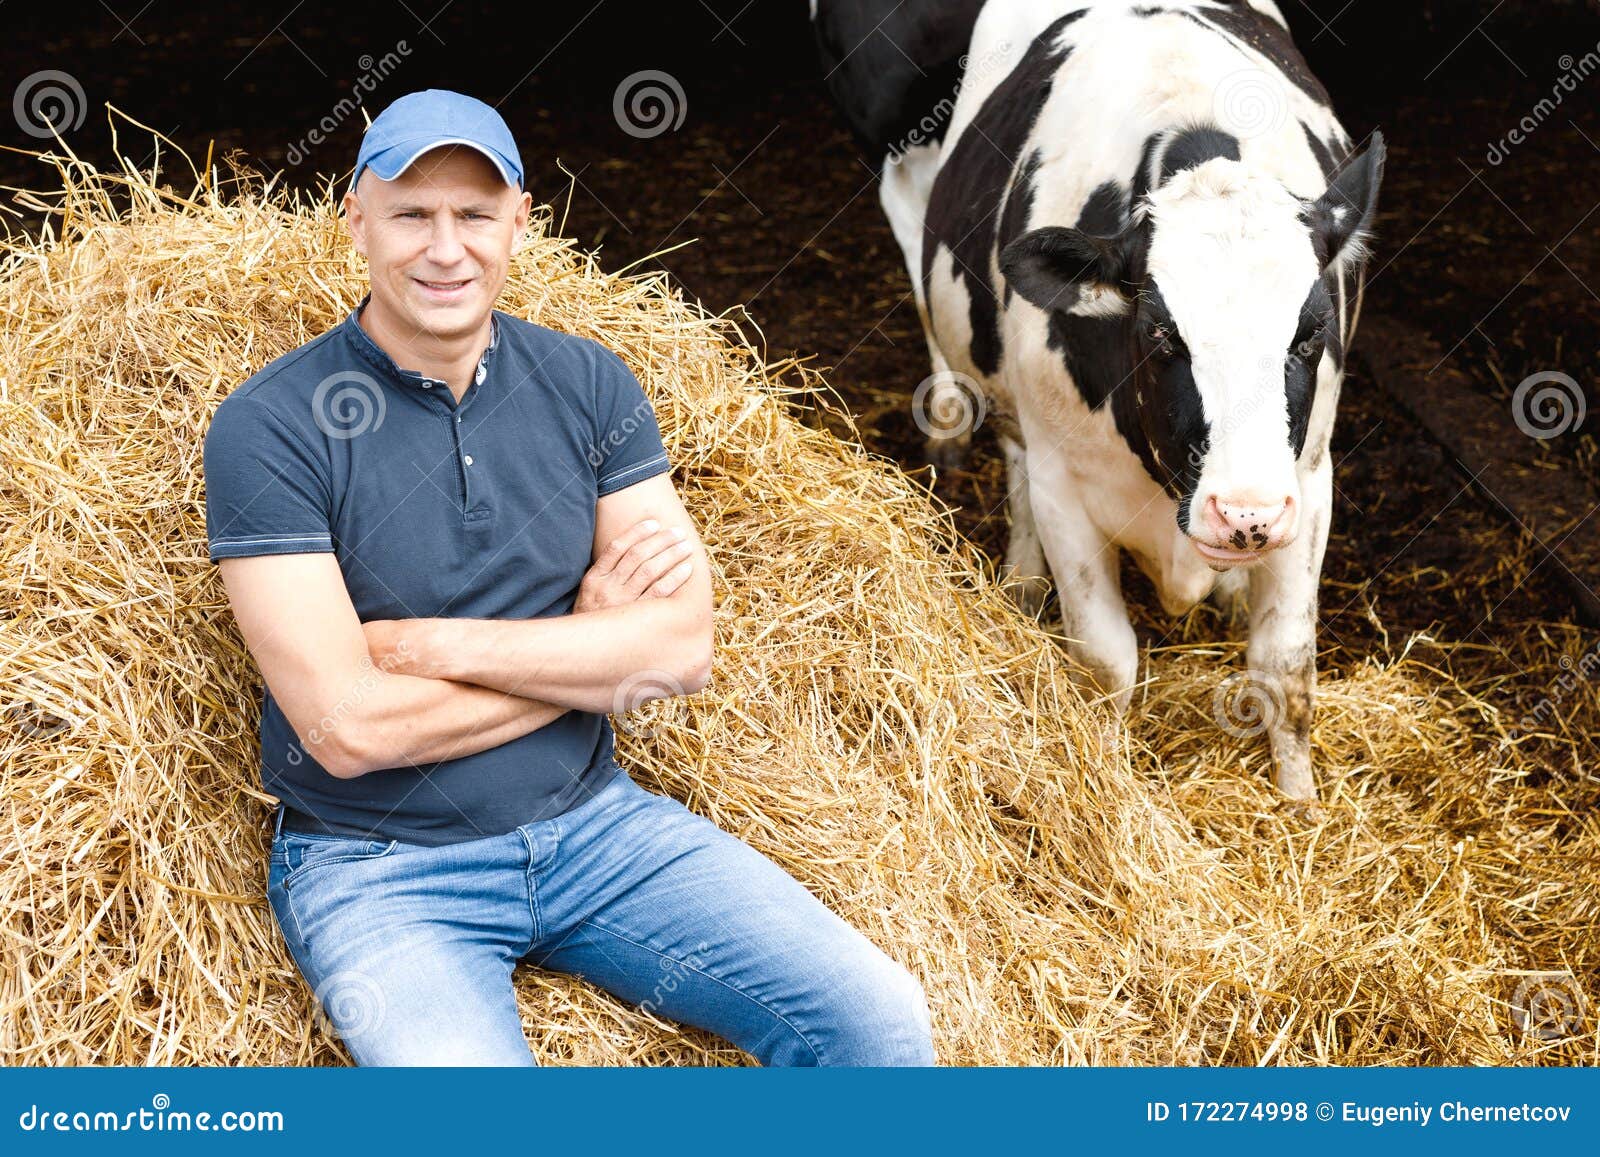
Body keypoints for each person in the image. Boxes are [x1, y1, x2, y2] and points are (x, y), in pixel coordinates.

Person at [202, 89, 934, 1067]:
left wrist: (427, 647)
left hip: (602, 833)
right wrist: (582, 650)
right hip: (382, 871)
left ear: (521, 222)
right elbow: (345, 729)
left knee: (880, 1023)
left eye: (473, 214)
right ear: (355, 219)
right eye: (412, 213)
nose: (445, 248)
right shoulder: (271, 425)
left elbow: (678, 648)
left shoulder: (590, 386)